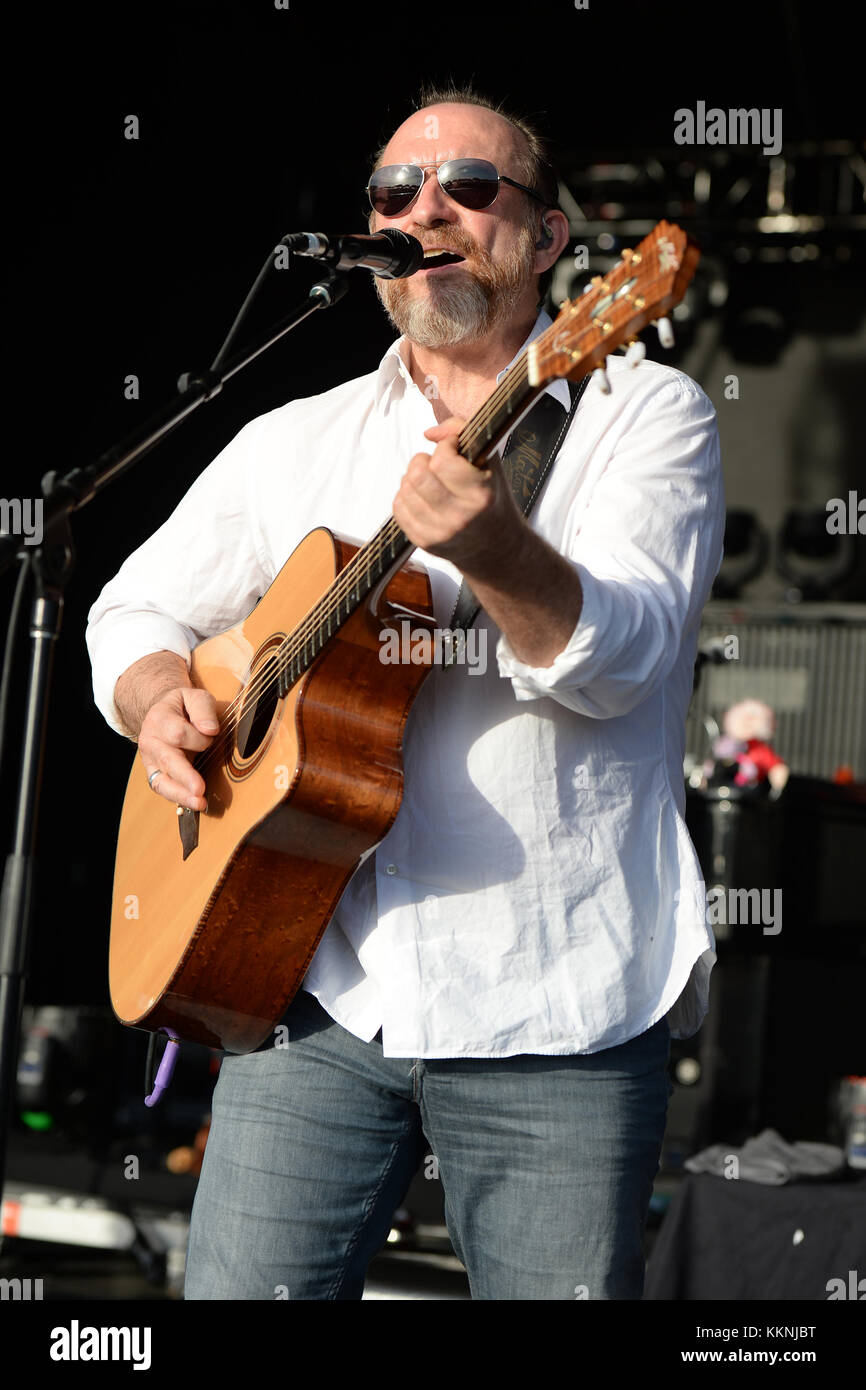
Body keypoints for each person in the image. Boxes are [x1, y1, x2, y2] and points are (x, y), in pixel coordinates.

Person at [86, 83, 725, 1300]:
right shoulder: (296, 435)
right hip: (314, 983)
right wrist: (160, 692)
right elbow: (130, 610)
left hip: (554, 1005)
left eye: (467, 186)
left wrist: (496, 551)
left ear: (546, 237)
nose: (423, 210)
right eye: (394, 192)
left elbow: (625, 662)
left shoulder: (640, 412)